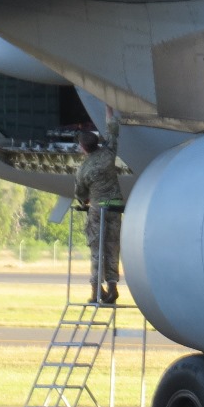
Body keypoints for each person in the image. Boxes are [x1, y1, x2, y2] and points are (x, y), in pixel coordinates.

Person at [74, 106, 123, 304]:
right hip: (115, 207)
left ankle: (96, 291)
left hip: (98, 209)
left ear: (84, 148)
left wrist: (85, 201)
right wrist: (108, 111)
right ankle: (112, 288)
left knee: (97, 249)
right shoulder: (108, 154)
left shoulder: (84, 169)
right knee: (112, 247)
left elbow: (80, 194)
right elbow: (113, 131)